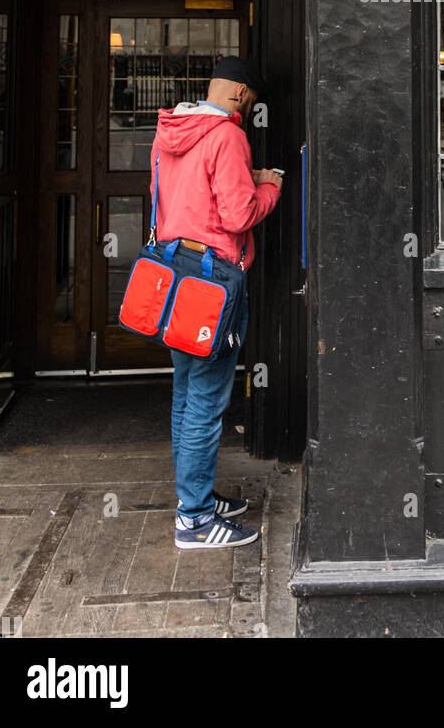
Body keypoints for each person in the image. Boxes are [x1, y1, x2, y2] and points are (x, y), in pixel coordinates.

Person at [149, 55, 283, 550]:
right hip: (215, 281)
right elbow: (238, 213)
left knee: (186, 391)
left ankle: (195, 496)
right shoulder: (227, 135)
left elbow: (167, 202)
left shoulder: (170, 128)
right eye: (252, 103)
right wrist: (268, 184)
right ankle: (196, 518)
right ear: (243, 95)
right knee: (206, 399)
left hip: (175, 272)